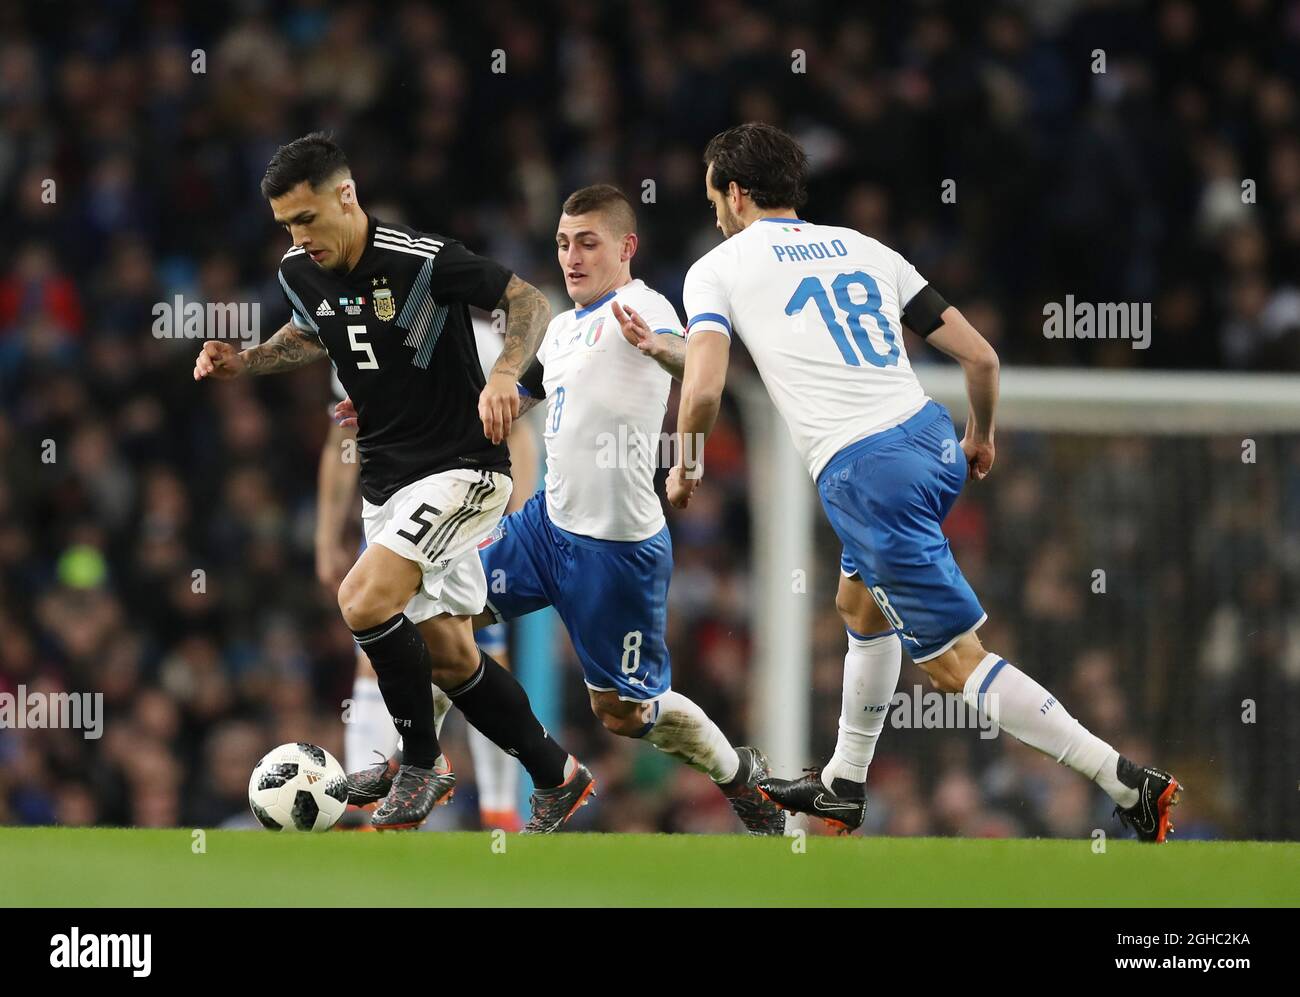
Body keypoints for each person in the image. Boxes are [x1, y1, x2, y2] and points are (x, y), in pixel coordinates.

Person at [671, 122, 1181, 842]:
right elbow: (981, 359)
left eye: (715, 198)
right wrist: (982, 434)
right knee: (858, 600)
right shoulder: (866, 249)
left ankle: (1123, 778)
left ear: (737, 192)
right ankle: (844, 783)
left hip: (866, 470)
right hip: (929, 436)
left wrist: (686, 456)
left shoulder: (717, 267)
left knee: (951, 666)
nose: (715, 213)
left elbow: (702, 391)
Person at [194, 132, 592, 833]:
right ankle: (556, 772)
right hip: (387, 483)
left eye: (308, 217)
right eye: (287, 223)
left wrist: (505, 375)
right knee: (449, 652)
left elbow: (528, 301)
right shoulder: (300, 272)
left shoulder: (422, 261)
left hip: (463, 469)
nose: (299, 235)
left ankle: (421, 761)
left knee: (362, 597)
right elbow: (313, 333)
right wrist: (245, 362)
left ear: (346, 196)